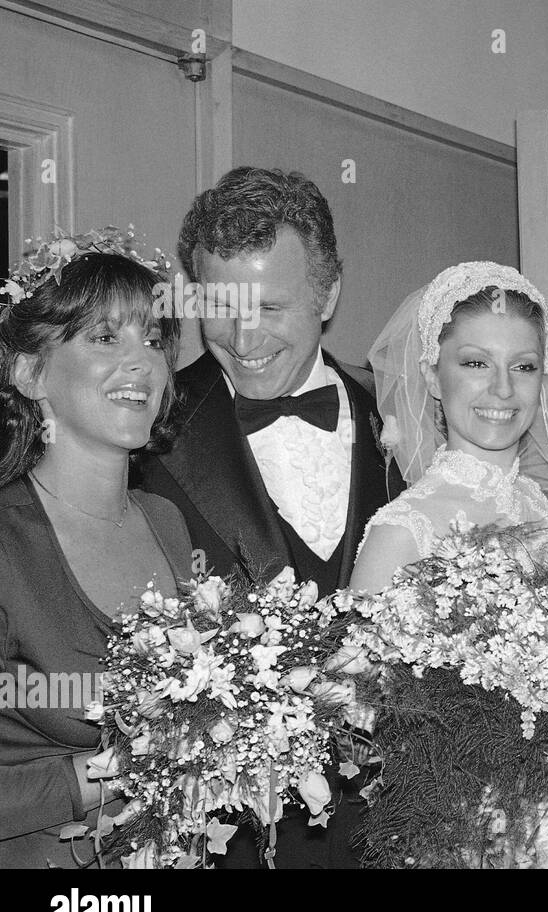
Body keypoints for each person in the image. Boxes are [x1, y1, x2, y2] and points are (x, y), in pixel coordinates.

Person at [134, 166, 400, 868]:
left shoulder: (409, 425)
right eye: (220, 305)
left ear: (329, 293)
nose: (243, 337)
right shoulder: (143, 435)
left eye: (272, 308)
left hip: (400, 832)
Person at [351, 261, 548, 868]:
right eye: (476, 362)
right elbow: (366, 717)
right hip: (481, 833)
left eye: (524, 366)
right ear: (433, 374)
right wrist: (536, 762)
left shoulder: (541, 505)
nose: (503, 390)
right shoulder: (403, 532)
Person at [0, 234, 192, 868]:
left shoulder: (166, 523)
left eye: (155, 340)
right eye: (106, 338)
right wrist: (103, 776)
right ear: (31, 373)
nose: (142, 363)